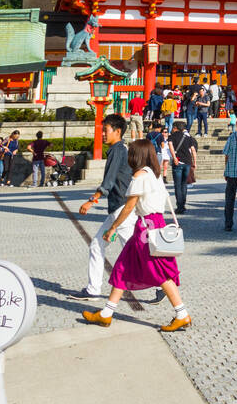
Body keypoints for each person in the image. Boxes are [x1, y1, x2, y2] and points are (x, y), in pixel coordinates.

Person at [82, 139, 191, 332]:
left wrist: (113, 227)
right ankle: (106, 313)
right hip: (153, 224)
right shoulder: (154, 174)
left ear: (136, 156)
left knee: (159, 272)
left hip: (146, 228)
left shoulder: (140, 175)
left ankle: (182, 314)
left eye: (131, 152)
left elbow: (130, 206)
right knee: (123, 267)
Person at [77, 113, 135, 298]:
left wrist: (91, 200)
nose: (102, 134)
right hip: (117, 208)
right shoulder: (119, 149)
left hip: (122, 209)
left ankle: (162, 285)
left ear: (117, 131)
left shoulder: (118, 150)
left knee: (134, 252)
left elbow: (108, 182)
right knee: (96, 245)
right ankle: (92, 290)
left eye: (105, 130)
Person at [168, 122, 196, 215]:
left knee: (177, 185)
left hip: (178, 162)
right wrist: (194, 162)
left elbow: (171, 147)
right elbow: (193, 150)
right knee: (184, 184)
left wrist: (174, 157)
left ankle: (179, 206)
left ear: (175, 128)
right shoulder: (188, 137)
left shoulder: (172, 136)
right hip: (187, 162)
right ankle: (183, 204)